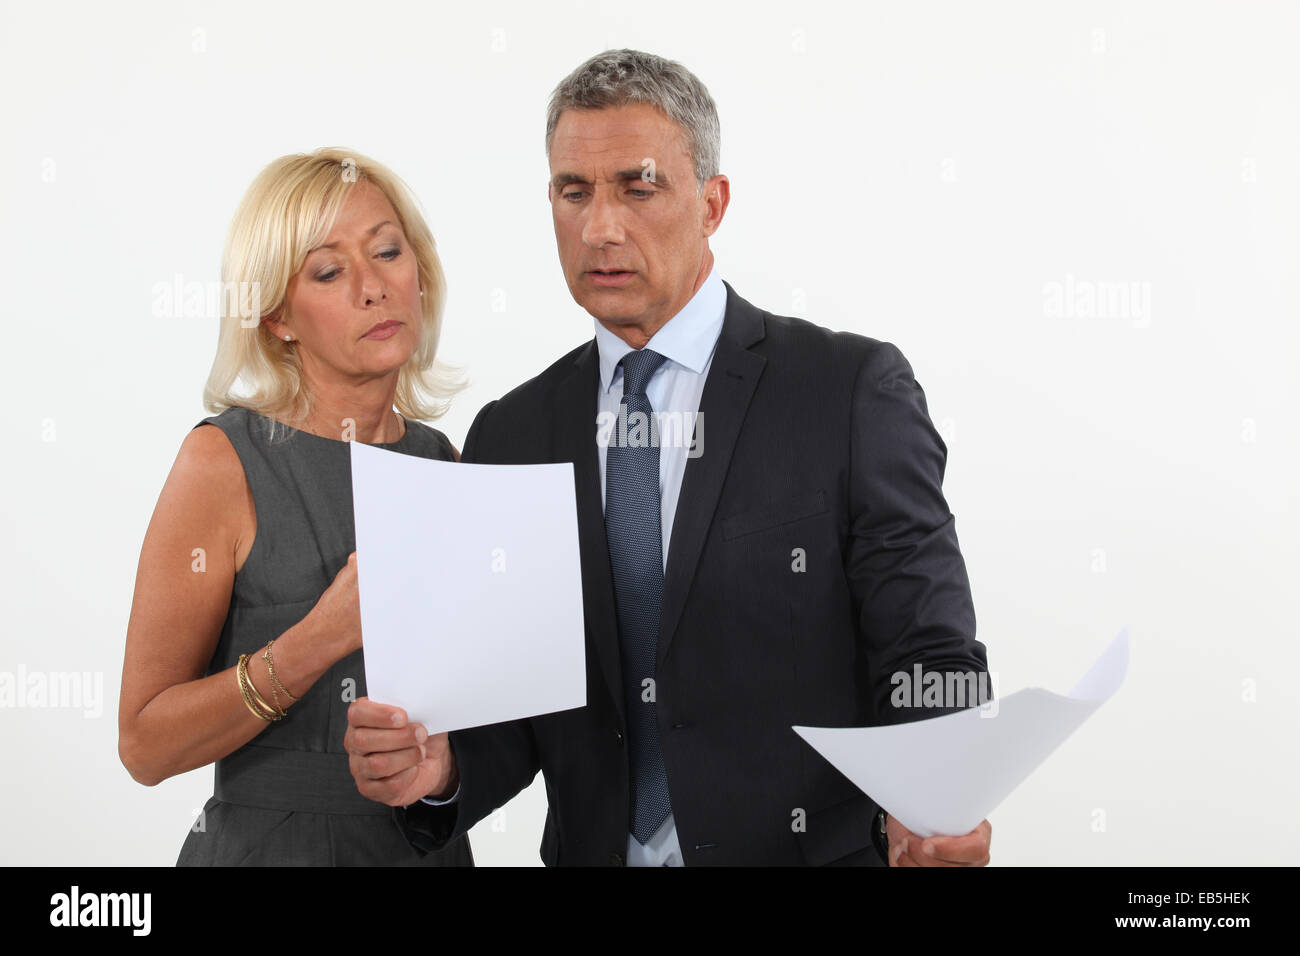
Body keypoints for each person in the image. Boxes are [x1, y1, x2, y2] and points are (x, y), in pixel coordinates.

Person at [346, 50, 992, 866]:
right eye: (573, 192)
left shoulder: (847, 391)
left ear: (712, 203)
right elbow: (513, 711)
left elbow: (929, 652)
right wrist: (442, 770)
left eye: (637, 187)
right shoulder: (514, 432)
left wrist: (935, 791)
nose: (600, 227)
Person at [118, 148, 473, 867]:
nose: (374, 288)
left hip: (424, 849)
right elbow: (143, 746)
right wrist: (319, 639)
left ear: (420, 270)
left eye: (387, 251)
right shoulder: (223, 461)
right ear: (276, 315)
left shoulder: (444, 463)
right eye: (329, 271)